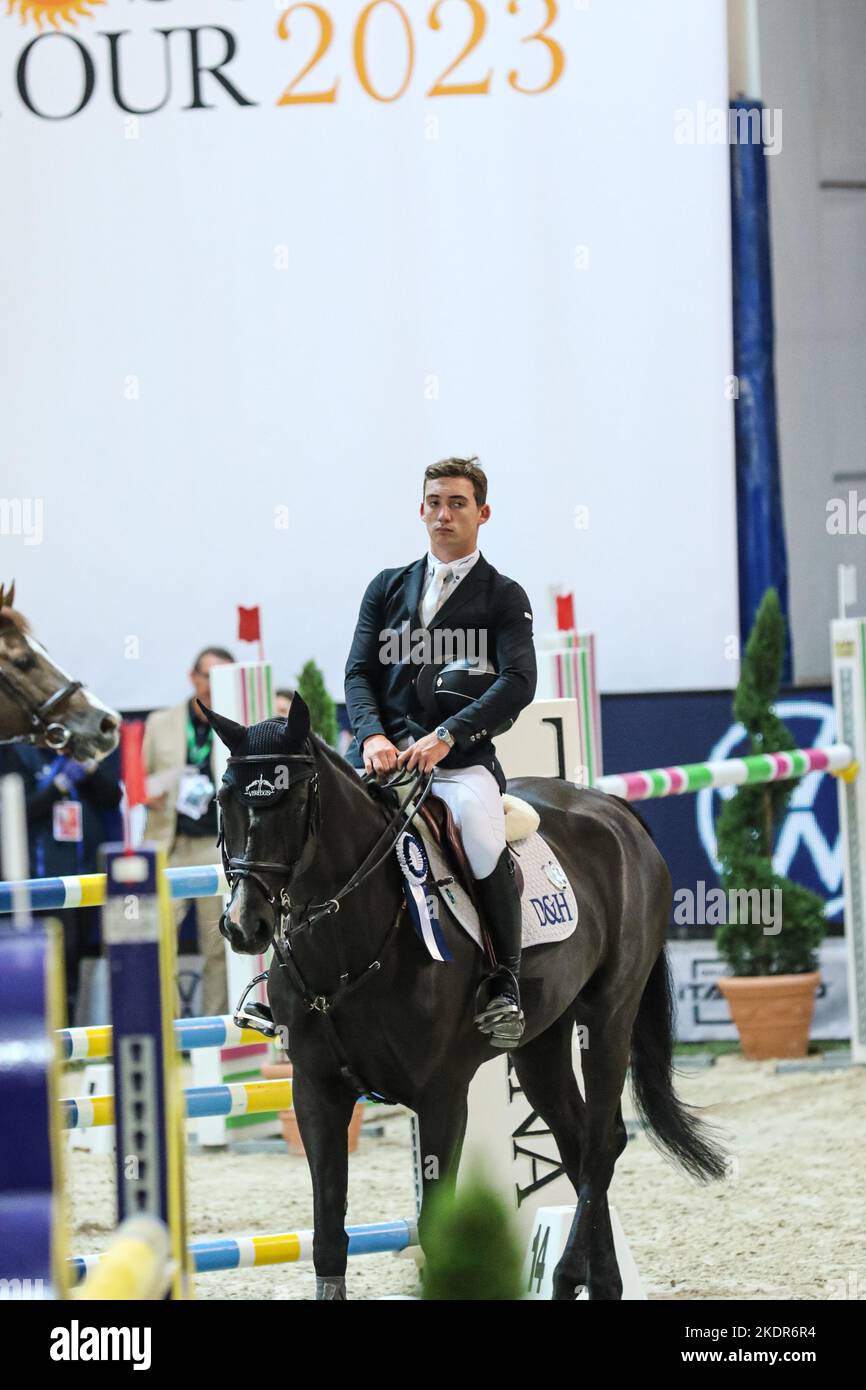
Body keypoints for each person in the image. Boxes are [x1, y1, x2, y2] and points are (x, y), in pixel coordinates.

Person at [343, 457, 536, 1046]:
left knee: (479, 834)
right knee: (315, 829)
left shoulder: (502, 596)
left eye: (456, 503)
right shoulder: (386, 587)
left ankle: (505, 980)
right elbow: (358, 673)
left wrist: (449, 734)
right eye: (433, 502)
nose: (443, 513)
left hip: (458, 765)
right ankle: (290, 984)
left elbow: (518, 681)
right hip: (382, 761)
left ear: (482, 512)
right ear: (420, 509)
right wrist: (373, 735)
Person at [0, 743, 122, 1025]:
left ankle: (69, 1040)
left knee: (75, 960)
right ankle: (48, 1037)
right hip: (43, 881)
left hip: (84, 875)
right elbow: (17, 812)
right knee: (54, 961)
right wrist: (58, 785)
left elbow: (112, 798)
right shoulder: (20, 754)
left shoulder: (81, 747)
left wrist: (91, 768)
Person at [143, 645, 235, 1016]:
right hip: (170, 845)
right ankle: (161, 1029)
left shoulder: (240, 721)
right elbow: (141, 783)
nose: (214, 686)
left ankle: (214, 1037)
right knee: (159, 940)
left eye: (224, 677)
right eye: (209, 676)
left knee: (218, 945)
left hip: (218, 845)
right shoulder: (161, 722)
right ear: (193, 677)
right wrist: (151, 790)